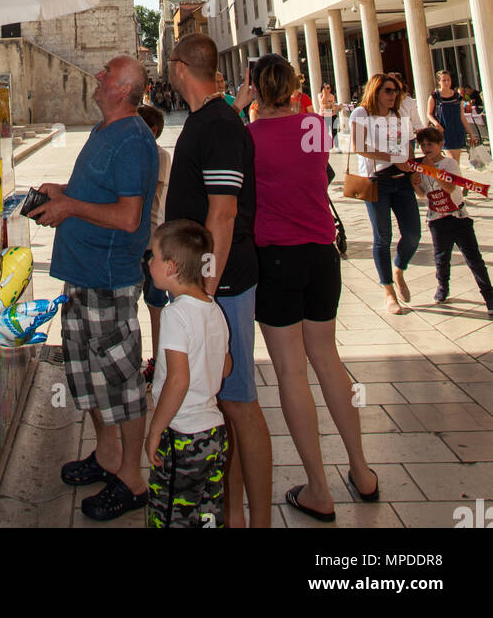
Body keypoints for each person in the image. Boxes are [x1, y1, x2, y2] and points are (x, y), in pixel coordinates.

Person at [236, 55, 378, 521]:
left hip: (277, 256)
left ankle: (319, 488)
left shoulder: (249, 137)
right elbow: (316, 171)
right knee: (327, 359)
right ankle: (361, 470)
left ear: (255, 87)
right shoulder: (315, 127)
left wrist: (241, 109)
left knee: (291, 371)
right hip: (322, 254)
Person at [31, 55, 158, 521]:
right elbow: (98, 193)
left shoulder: (131, 140)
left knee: (121, 382)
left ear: (123, 89)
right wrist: (62, 193)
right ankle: (106, 456)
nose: (99, 77)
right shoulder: (107, 130)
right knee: (89, 377)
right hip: (83, 275)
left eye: (108, 73)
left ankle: (131, 477)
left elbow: (128, 217)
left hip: (108, 279)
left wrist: (69, 208)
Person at [164, 33, 272, 528]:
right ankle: (231, 515)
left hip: (222, 288)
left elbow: (223, 215)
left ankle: (259, 520)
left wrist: (205, 293)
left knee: (238, 401)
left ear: (181, 67)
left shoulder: (220, 126)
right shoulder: (209, 118)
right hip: (211, 289)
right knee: (220, 404)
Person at [144, 220, 231, 528]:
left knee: (170, 516)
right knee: (208, 515)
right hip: (214, 435)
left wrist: (156, 429)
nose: (149, 263)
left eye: (153, 257)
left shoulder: (174, 314)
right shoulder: (213, 308)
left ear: (171, 267)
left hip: (182, 436)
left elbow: (177, 380)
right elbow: (226, 366)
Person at [350, 74, 421, 315]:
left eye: (396, 91)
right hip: (377, 181)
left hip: (402, 181)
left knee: (413, 234)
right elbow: (360, 147)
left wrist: (411, 165)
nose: (393, 96)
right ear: (376, 91)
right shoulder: (361, 114)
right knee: (382, 237)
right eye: (389, 91)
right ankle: (388, 290)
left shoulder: (399, 114)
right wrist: (394, 159)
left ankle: (399, 267)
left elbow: (408, 143)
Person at [414, 126, 493, 316]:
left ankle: (489, 295)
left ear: (440, 144)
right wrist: (415, 184)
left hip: (458, 217)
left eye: (430, 144)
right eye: (423, 145)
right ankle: (443, 287)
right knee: (441, 258)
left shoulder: (449, 164)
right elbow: (424, 195)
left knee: (474, 258)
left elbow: (449, 188)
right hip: (437, 220)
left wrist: (433, 171)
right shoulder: (421, 167)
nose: (426, 148)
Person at [138, 103, 172, 382]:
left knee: (156, 304)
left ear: (152, 131)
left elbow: (148, 193)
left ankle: (160, 361)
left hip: (152, 242)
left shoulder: (159, 157)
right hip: (135, 241)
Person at [427, 70, 479, 168]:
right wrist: (437, 124)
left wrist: (471, 134)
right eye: (443, 80)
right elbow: (429, 114)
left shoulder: (457, 96)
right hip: (444, 132)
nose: (446, 82)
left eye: (448, 80)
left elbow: (462, 117)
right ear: (439, 82)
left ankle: (456, 181)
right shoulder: (434, 96)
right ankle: (454, 181)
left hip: (457, 131)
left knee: (456, 162)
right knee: (451, 160)